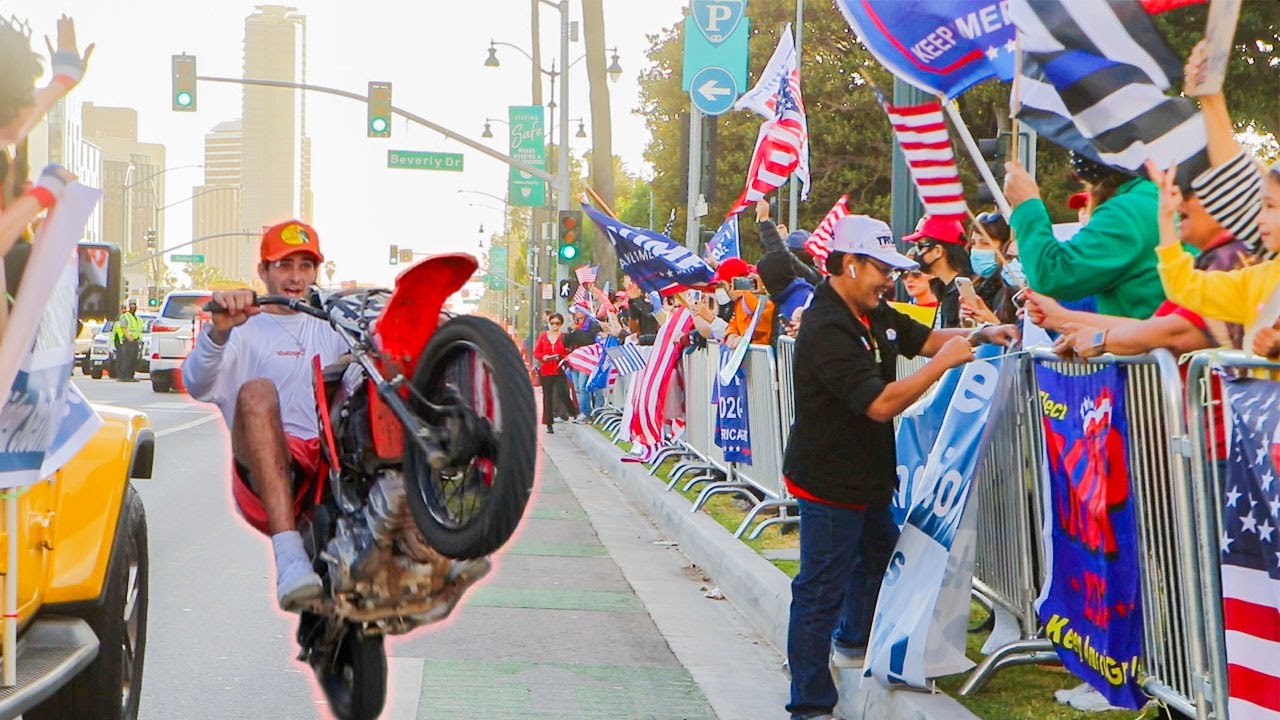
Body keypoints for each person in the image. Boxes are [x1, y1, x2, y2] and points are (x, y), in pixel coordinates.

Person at [781, 214, 1018, 720]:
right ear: (849, 264)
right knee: (821, 588)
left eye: (893, 268)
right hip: (827, 481)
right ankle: (809, 703)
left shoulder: (874, 311)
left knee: (879, 561)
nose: (889, 278)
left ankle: (851, 641)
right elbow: (880, 404)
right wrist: (945, 364)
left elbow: (922, 339)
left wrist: (981, 336)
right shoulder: (825, 326)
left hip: (868, 476)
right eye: (880, 268)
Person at [181, 220, 347, 611]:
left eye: (305, 266)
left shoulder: (331, 325)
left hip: (326, 470)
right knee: (257, 391)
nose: (295, 277)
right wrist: (218, 332)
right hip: (264, 471)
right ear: (264, 272)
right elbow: (196, 383)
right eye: (284, 265)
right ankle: (288, 557)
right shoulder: (244, 328)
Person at [1004, 152, 1165, 320]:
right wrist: (1069, 323)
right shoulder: (1150, 196)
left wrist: (1027, 203)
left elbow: (1054, 275)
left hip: (1144, 345)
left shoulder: (1127, 210)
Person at [1151, 160, 1280, 357]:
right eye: (1261, 207)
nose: (1259, 218)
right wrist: (1166, 217)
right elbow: (1184, 285)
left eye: (1270, 206)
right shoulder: (1255, 280)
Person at [903, 215, 973, 329]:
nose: (917, 253)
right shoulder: (943, 288)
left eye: (920, 247)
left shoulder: (964, 292)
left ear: (938, 251)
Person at [694, 257, 776, 348]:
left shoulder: (750, 298)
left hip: (760, 358)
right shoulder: (738, 303)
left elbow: (762, 326)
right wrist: (731, 336)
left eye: (721, 285)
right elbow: (733, 326)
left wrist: (743, 339)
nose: (720, 290)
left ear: (733, 283)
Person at [533, 313, 572, 434]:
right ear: (549, 324)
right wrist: (544, 357)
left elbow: (568, 352)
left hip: (559, 369)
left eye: (557, 323)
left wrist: (561, 357)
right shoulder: (543, 337)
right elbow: (536, 352)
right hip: (546, 370)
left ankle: (567, 413)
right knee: (548, 396)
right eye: (552, 323)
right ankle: (549, 422)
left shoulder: (564, 337)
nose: (554, 326)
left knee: (562, 392)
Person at [563, 304, 602, 421]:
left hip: (587, 359)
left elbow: (588, 340)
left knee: (584, 386)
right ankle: (584, 411)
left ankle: (587, 413)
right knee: (577, 388)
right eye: (576, 310)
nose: (578, 312)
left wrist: (576, 331)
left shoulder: (593, 325)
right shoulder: (574, 325)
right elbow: (566, 343)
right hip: (574, 360)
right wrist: (570, 331)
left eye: (581, 310)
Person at [113, 300, 143, 381]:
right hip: (128, 341)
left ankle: (130, 376)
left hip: (135, 341)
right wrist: (128, 336)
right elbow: (123, 326)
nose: (133, 307)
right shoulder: (125, 316)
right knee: (127, 359)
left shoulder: (137, 318)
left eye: (134, 305)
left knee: (133, 359)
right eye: (131, 305)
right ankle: (124, 376)